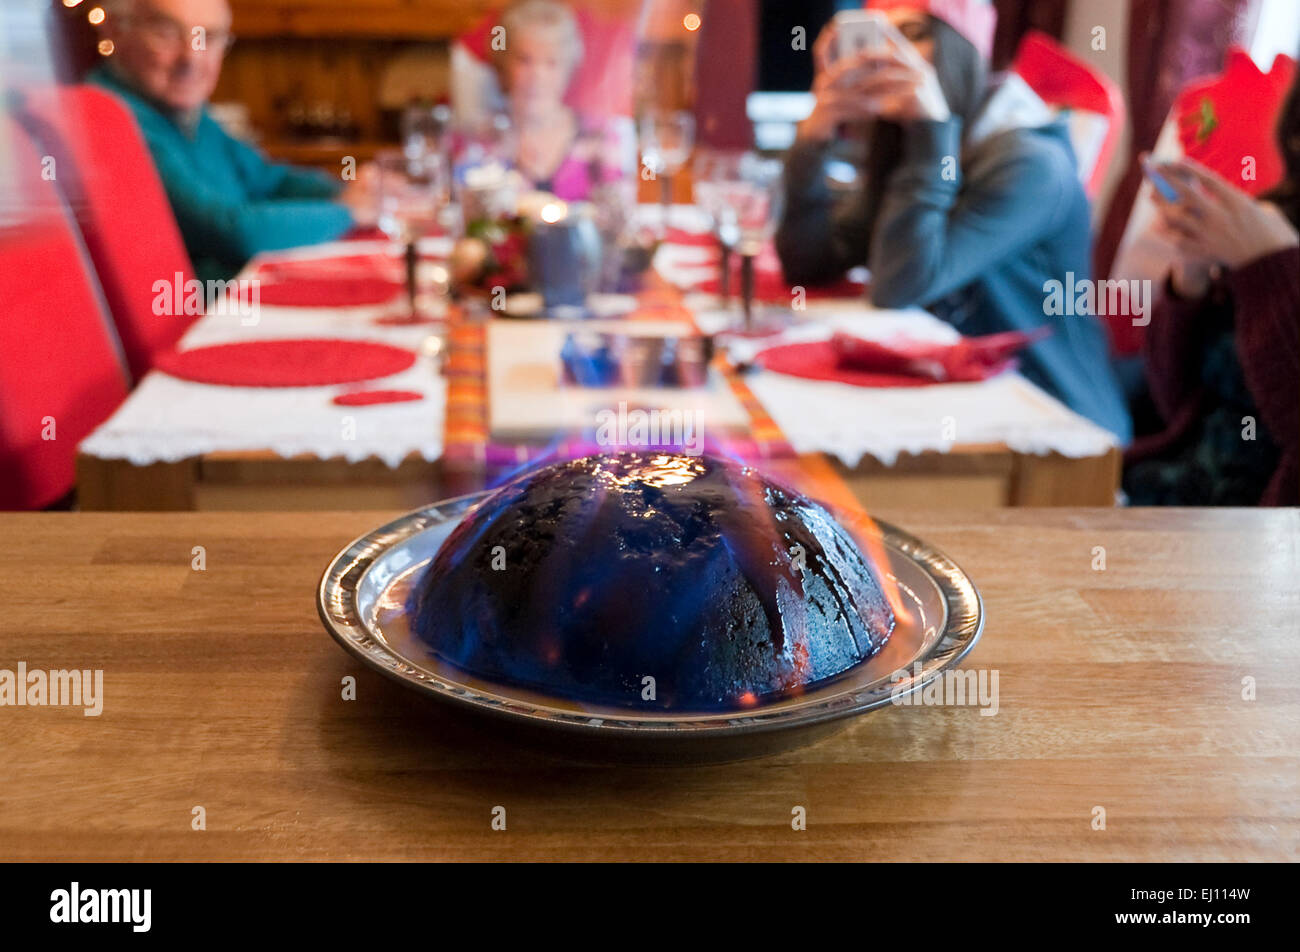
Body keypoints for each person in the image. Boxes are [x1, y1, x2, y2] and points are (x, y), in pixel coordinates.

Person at [776, 0, 1131, 442]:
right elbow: (809, 264)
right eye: (878, 37)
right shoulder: (913, 139)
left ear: (961, 48)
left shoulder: (1032, 162)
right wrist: (815, 136)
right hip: (953, 405)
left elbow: (897, 286)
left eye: (913, 34)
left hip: (1054, 426)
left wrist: (930, 128)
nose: (890, 53)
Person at [92, 0, 372, 281]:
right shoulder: (106, 118)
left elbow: (268, 180)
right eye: (167, 33)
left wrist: (353, 191)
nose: (192, 57)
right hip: (195, 315)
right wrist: (347, 211)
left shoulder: (185, 115)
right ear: (115, 30)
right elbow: (234, 232)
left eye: (209, 37)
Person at [1124, 79, 1299, 506]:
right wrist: (1190, 280)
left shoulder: (1268, 246)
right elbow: (1173, 403)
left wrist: (1273, 267)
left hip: (1262, 541)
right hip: (1171, 496)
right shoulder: (1269, 221)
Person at [489, 0, 631, 201]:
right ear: (503, 62)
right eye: (524, 60)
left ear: (569, 67)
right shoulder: (481, 140)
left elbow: (620, 216)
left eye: (552, 62)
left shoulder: (599, 136)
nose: (537, 76)